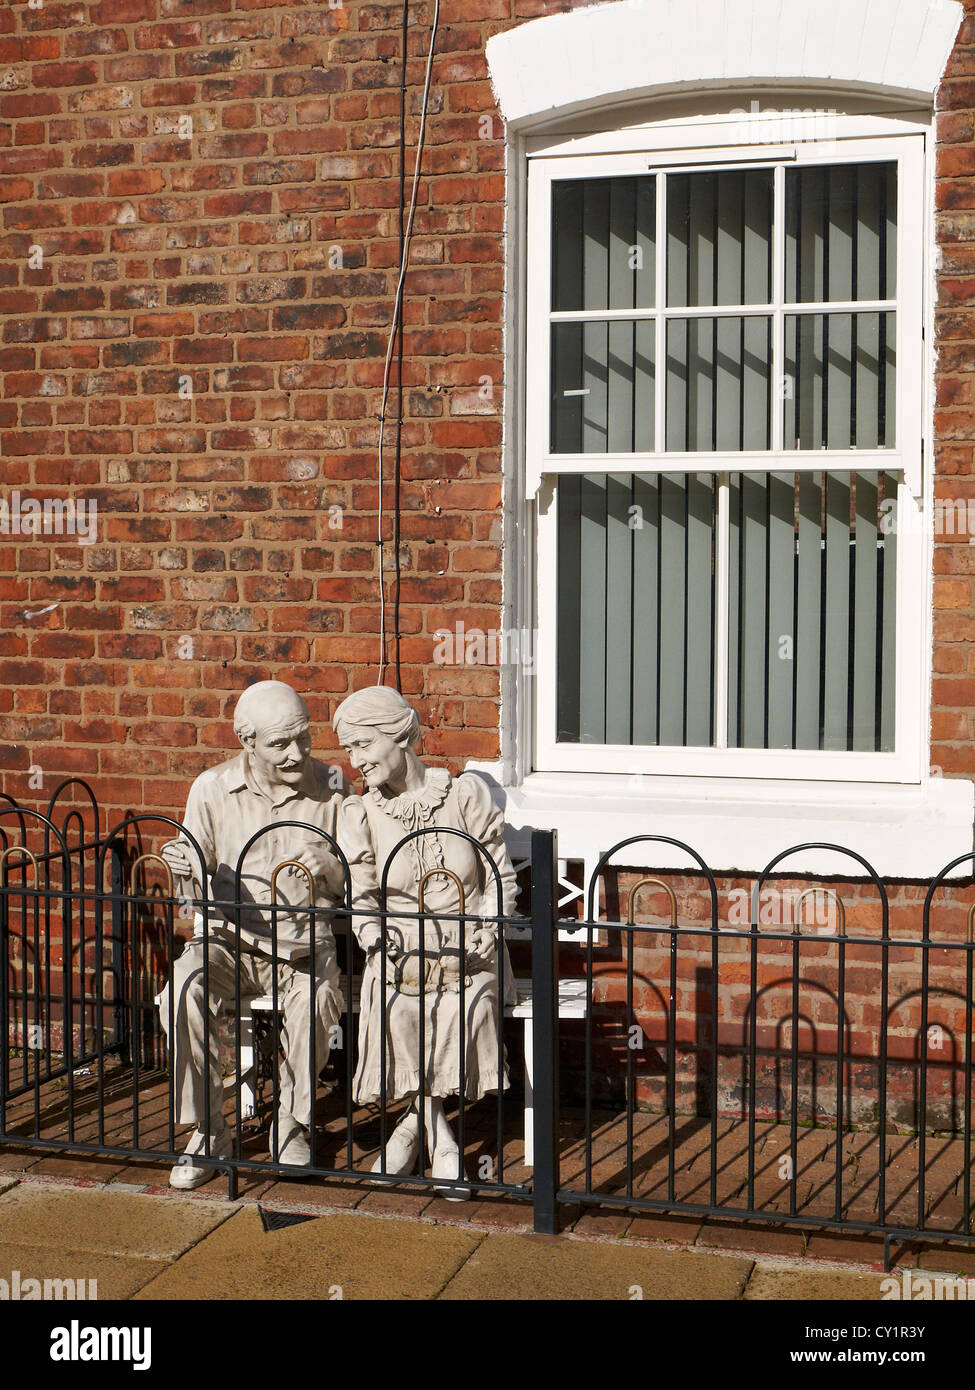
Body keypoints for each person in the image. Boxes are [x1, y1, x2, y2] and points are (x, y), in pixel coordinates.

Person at [157, 680, 350, 1189]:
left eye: (303, 738)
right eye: (280, 743)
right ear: (247, 742)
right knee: (181, 989)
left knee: (315, 1000)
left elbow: (361, 877)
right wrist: (185, 867)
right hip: (228, 941)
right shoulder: (212, 789)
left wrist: (330, 863)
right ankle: (210, 1129)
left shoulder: (333, 786)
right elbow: (189, 892)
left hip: (304, 946)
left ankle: (291, 1122)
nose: (298, 753)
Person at [333, 685, 517, 1198]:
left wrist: (489, 929)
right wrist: (374, 937)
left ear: (398, 736)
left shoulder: (464, 795)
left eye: (363, 746)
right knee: (396, 1007)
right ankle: (440, 1139)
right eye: (349, 751)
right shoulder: (359, 813)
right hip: (400, 950)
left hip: (468, 949)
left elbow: (499, 877)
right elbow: (361, 896)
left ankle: (413, 1128)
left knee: (468, 1006)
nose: (355, 761)